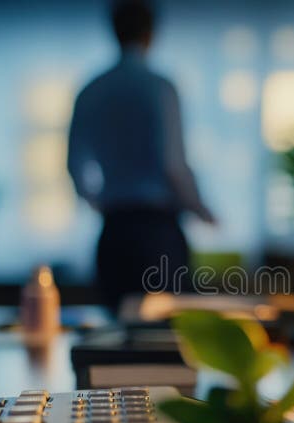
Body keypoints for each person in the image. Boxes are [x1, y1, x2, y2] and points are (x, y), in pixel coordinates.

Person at [67, 0, 215, 309]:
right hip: (157, 234)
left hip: (114, 231)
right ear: (151, 34)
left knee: (116, 326)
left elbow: (74, 166)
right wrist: (200, 208)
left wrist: (101, 203)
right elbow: (173, 165)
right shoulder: (160, 88)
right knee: (165, 327)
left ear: (114, 31)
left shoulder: (91, 90)